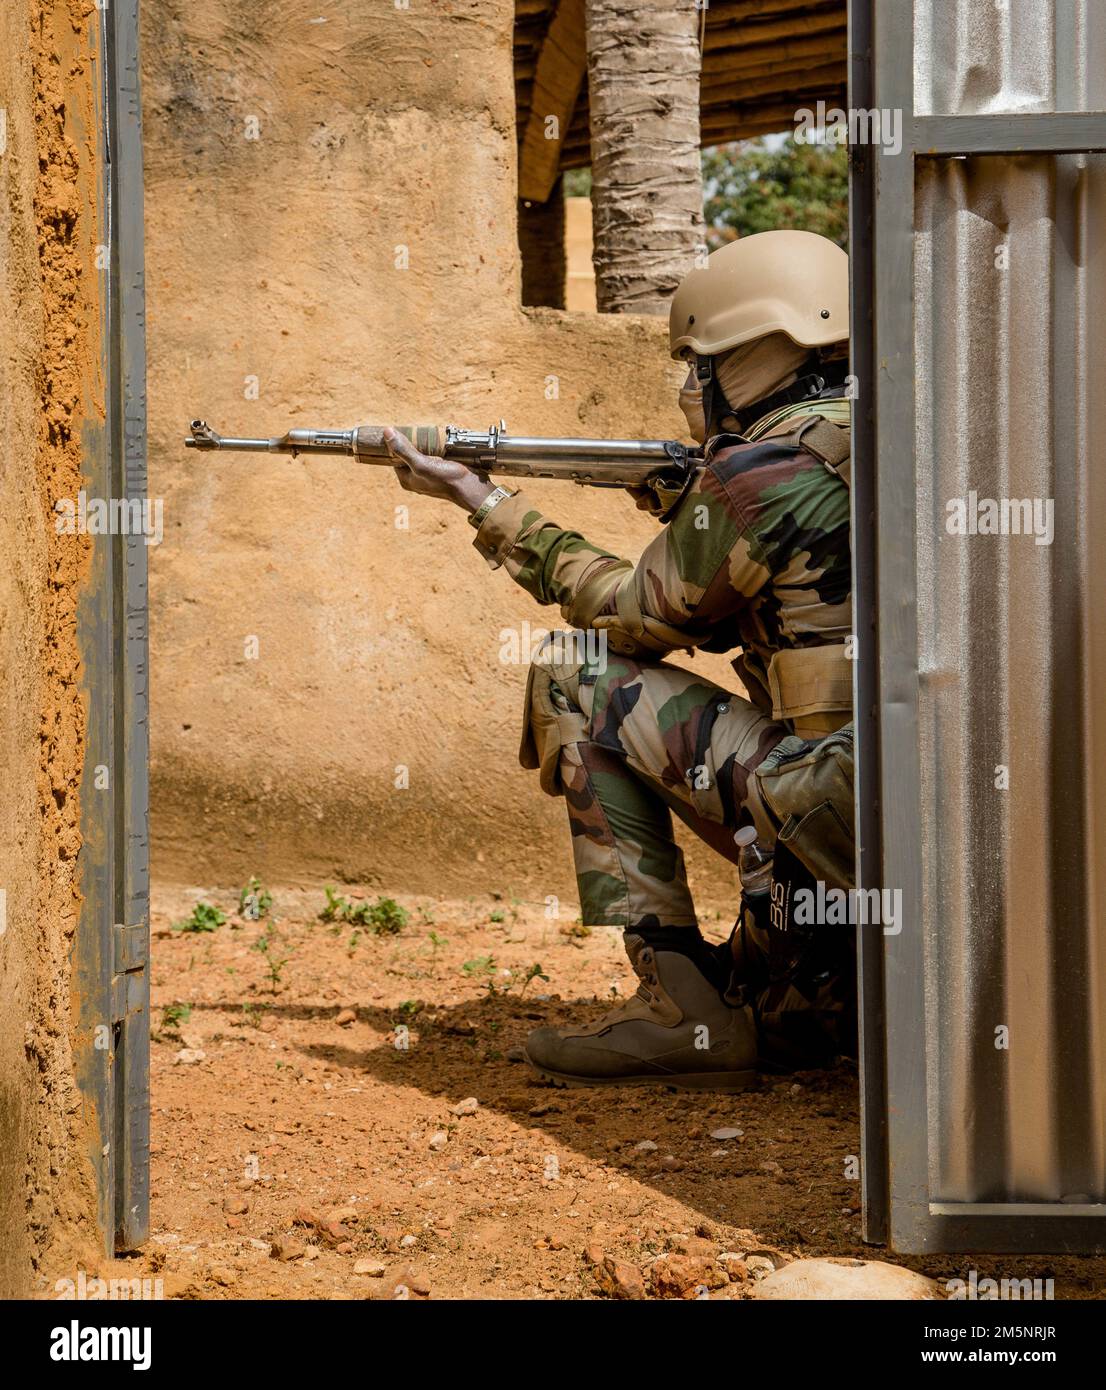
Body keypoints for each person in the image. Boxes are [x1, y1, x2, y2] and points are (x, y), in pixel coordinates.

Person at [383, 229, 857, 1092]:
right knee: (797, 1014)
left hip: (836, 812)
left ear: (757, 355)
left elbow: (631, 616)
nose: (691, 386)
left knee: (574, 671)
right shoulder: (897, 435)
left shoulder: (765, 471)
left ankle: (684, 1014)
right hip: (920, 819)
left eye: (701, 364)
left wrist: (485, 502)